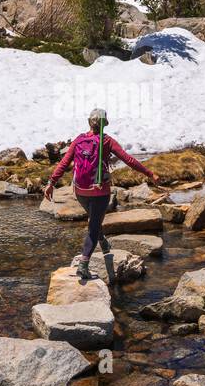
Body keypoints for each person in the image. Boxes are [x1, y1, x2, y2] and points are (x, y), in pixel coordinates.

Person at [44, 108, 159, 280]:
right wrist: (150, 173)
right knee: (93, 227)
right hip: (99, 190)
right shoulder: (106, 141)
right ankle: (83, 265)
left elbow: (64, 162)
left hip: (80, 190)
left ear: (89, 122)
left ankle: (103, 242)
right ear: (105, 124)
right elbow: (128, 160)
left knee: (94, 220)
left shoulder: (79, 140)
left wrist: (51, 183)